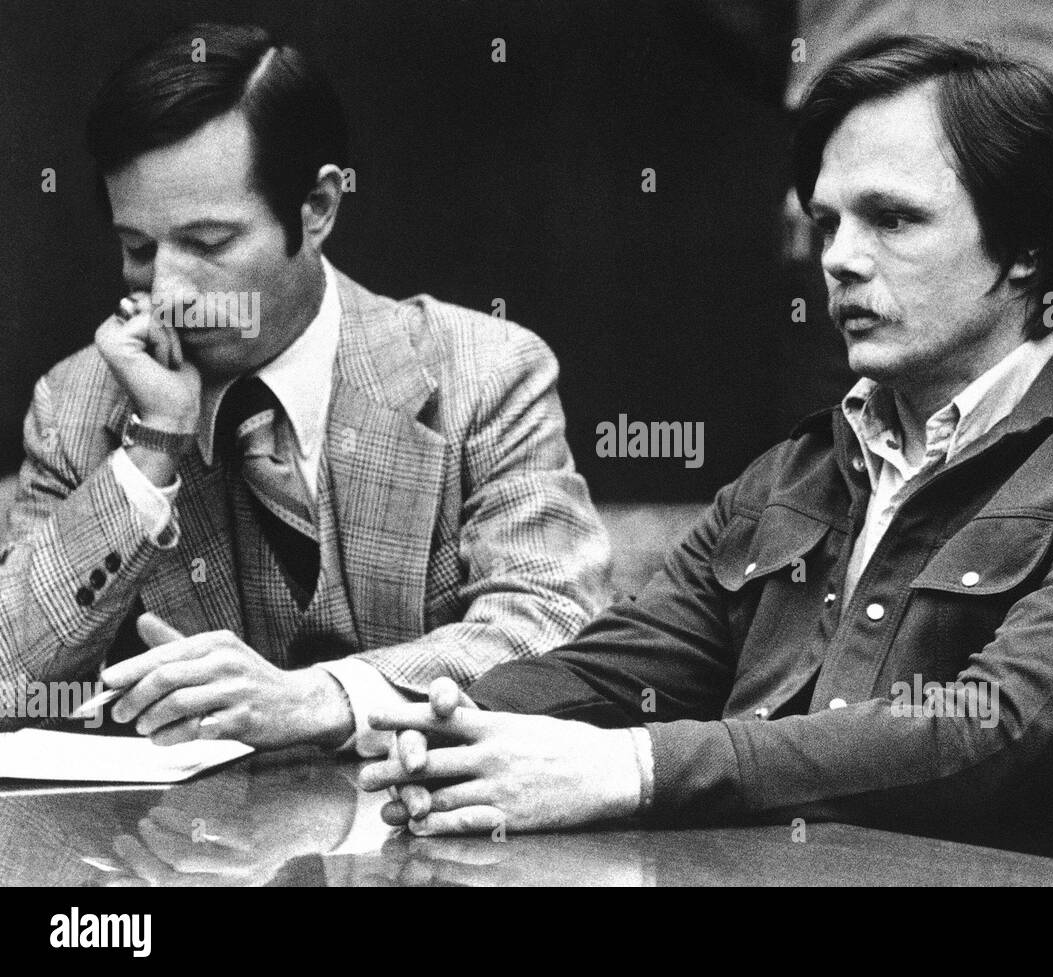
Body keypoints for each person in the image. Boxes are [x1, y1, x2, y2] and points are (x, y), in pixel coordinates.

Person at [362, 36, 1053, 857]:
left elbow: (984, 735)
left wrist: (630, 767)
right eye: (827, 224)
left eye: (892, 219)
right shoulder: (793, 474)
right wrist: (430, 720)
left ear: (1027, 248)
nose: (840, 259)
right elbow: (614, 668)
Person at [0, 23, 611, 752]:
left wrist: (325, 697)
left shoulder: (484, 372)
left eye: (206, 244)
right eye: (138, 248)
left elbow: (559, 625)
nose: (165, 291)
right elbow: (8, 678)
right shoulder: (78, 406)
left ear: (317, 207)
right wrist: (150, 451)